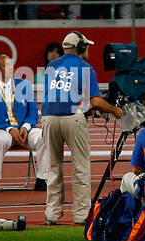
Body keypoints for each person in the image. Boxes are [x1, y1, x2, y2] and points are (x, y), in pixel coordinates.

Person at [42, 32, 124, 226]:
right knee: (80, 167)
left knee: (54, 166)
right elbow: (95, 100)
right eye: (86, 45)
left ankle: (52, 214)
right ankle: (81, 215)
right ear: (80, 47)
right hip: (73, 117)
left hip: (48, 116)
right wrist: (115, 110)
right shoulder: (86, 67)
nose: (88, 49)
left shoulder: (52, 66)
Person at [0, 53, 49, 192]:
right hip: (2, 129)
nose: (11, 67)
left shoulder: (24, 85)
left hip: (24, 130)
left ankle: (41, 179)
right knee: (0, 140)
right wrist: (9, 128)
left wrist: (26, 127)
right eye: (6, 64)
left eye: (11, 63)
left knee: (45, 136)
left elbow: (33, 111)